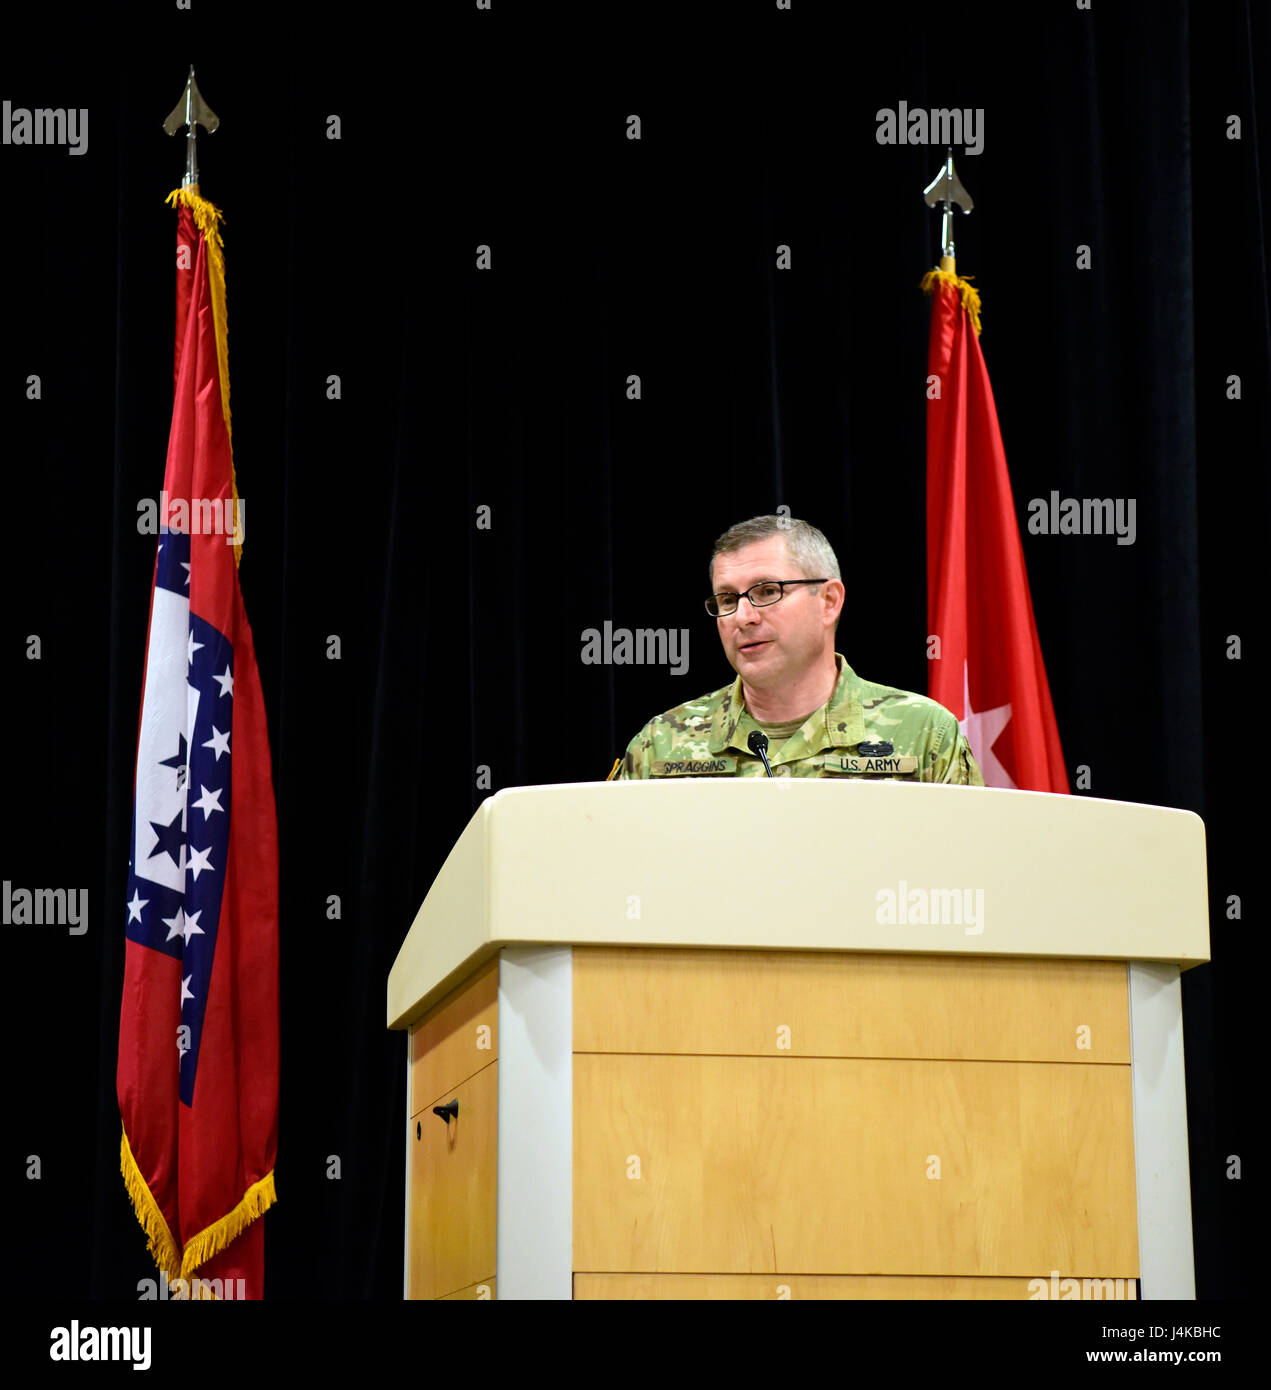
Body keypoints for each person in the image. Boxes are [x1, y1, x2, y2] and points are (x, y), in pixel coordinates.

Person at [612, 515, 984, 784]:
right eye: (727, 598)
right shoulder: (662, 744)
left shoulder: (923, 734)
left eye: (767, 592)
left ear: (829, 601)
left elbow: (971, 872)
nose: (743, 617)